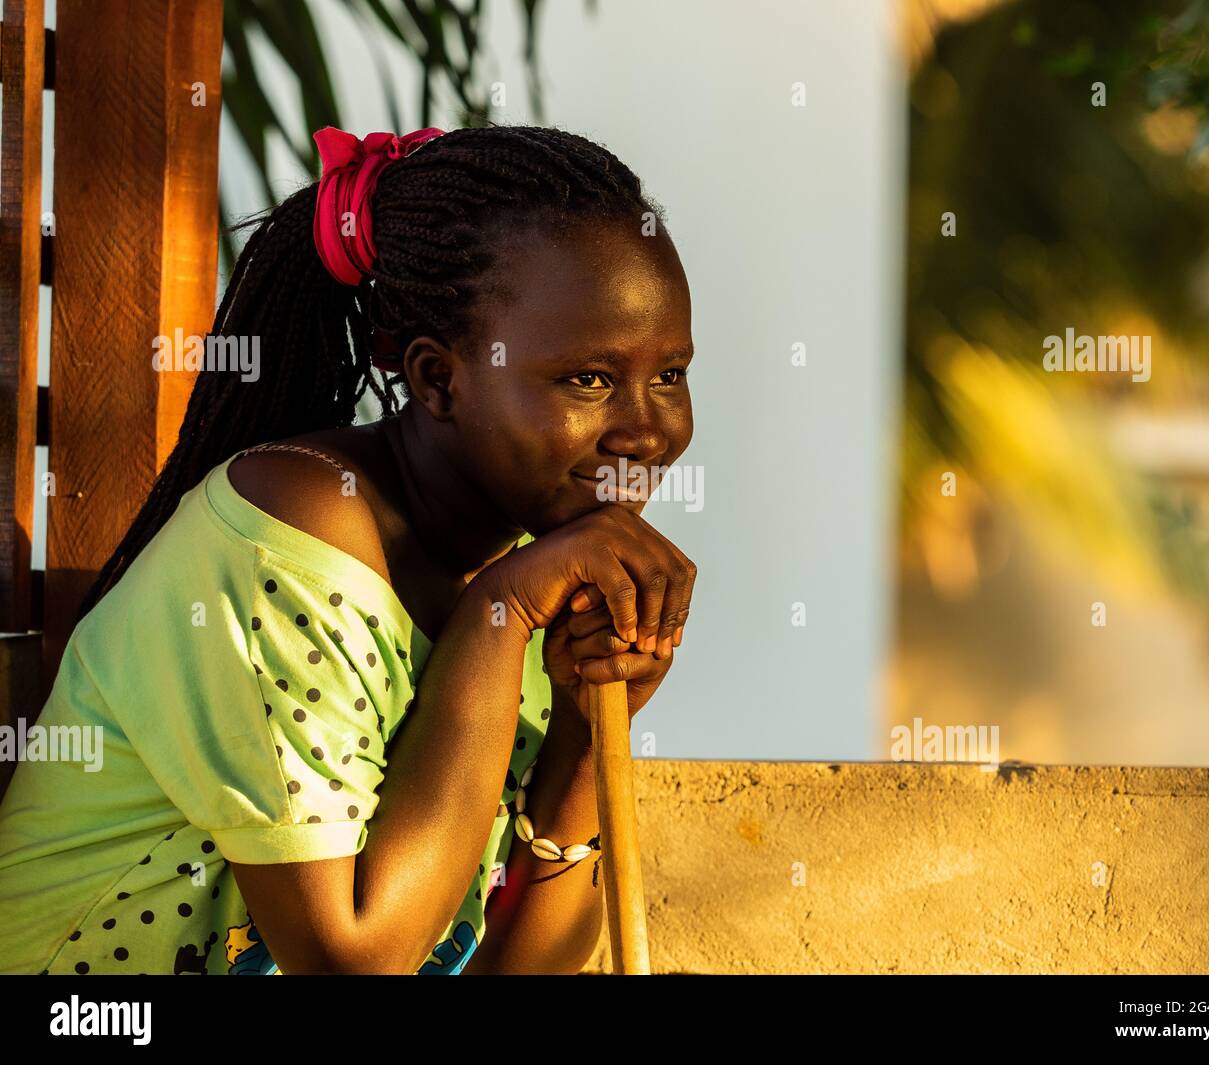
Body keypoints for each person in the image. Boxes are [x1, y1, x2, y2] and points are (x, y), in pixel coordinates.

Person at [0, 123, 697, 975]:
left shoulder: (526, 574)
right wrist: (500, 613)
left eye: (669, 373)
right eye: (589, 378)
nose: (649, 429)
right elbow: (352, 961)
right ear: (438, 379)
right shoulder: (291, 537)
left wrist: (585, 737)